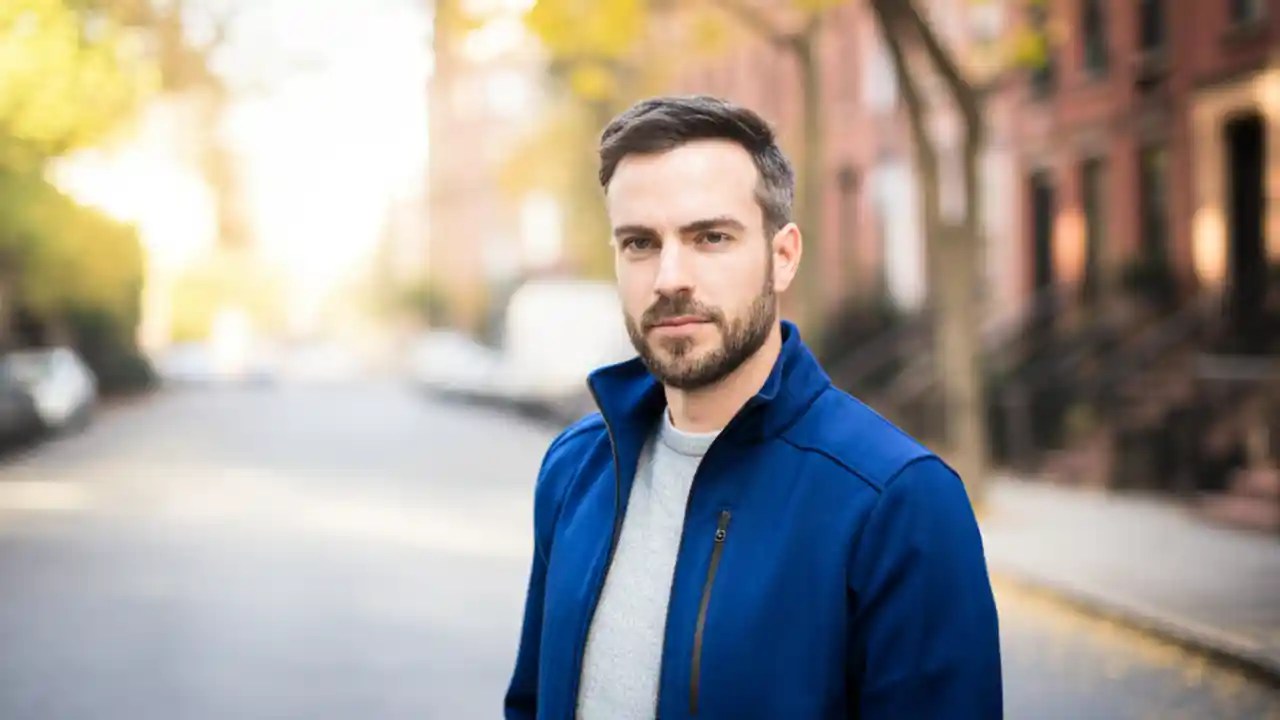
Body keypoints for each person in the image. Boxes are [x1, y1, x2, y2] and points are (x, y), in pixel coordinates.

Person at [504, 95, 1002, 719]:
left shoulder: (897, 501)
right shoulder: (576, 468)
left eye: (710, 237)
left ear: (783, 255)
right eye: (639, 243)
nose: (669, 278)